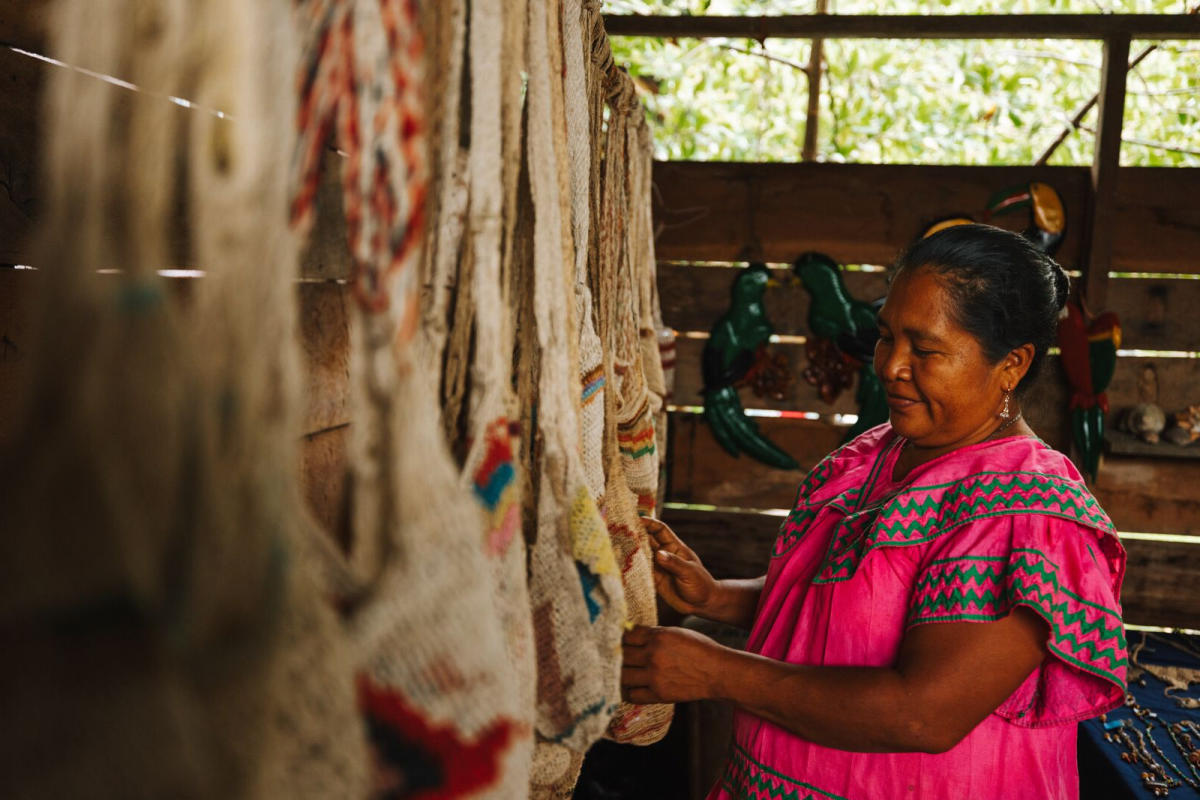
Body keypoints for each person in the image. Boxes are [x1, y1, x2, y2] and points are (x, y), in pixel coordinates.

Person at [621, 224, 1127, 800]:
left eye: (926, 349)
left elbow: (924, 715)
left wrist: (719, 672)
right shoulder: (878, 454)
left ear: (1011, 365)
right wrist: (717, 597)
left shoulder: (1026, 509)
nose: (891, 366)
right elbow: (847, 604)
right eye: (887, 337)